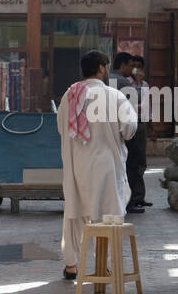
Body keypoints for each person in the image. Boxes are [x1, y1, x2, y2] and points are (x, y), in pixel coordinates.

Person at [58, 50, 138, 280]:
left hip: (77, 165)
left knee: (75, 214)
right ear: (102, 68)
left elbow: (61, 128)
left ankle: (72, 265)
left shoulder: (69, 95)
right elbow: (130, 129)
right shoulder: (114, 96)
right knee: (110, 216)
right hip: (107, 166)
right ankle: (109, 266)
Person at [125, 56, 151, 213]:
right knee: (131, 161)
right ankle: (131, 197)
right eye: (133, 66)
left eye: (139, 66)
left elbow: (146, 107)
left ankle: (139, 196)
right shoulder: (126, 83)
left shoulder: (145, 84)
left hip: (141, 124)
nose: (136, 69)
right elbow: (131, 105)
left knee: (141, 161)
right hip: (129, 124)